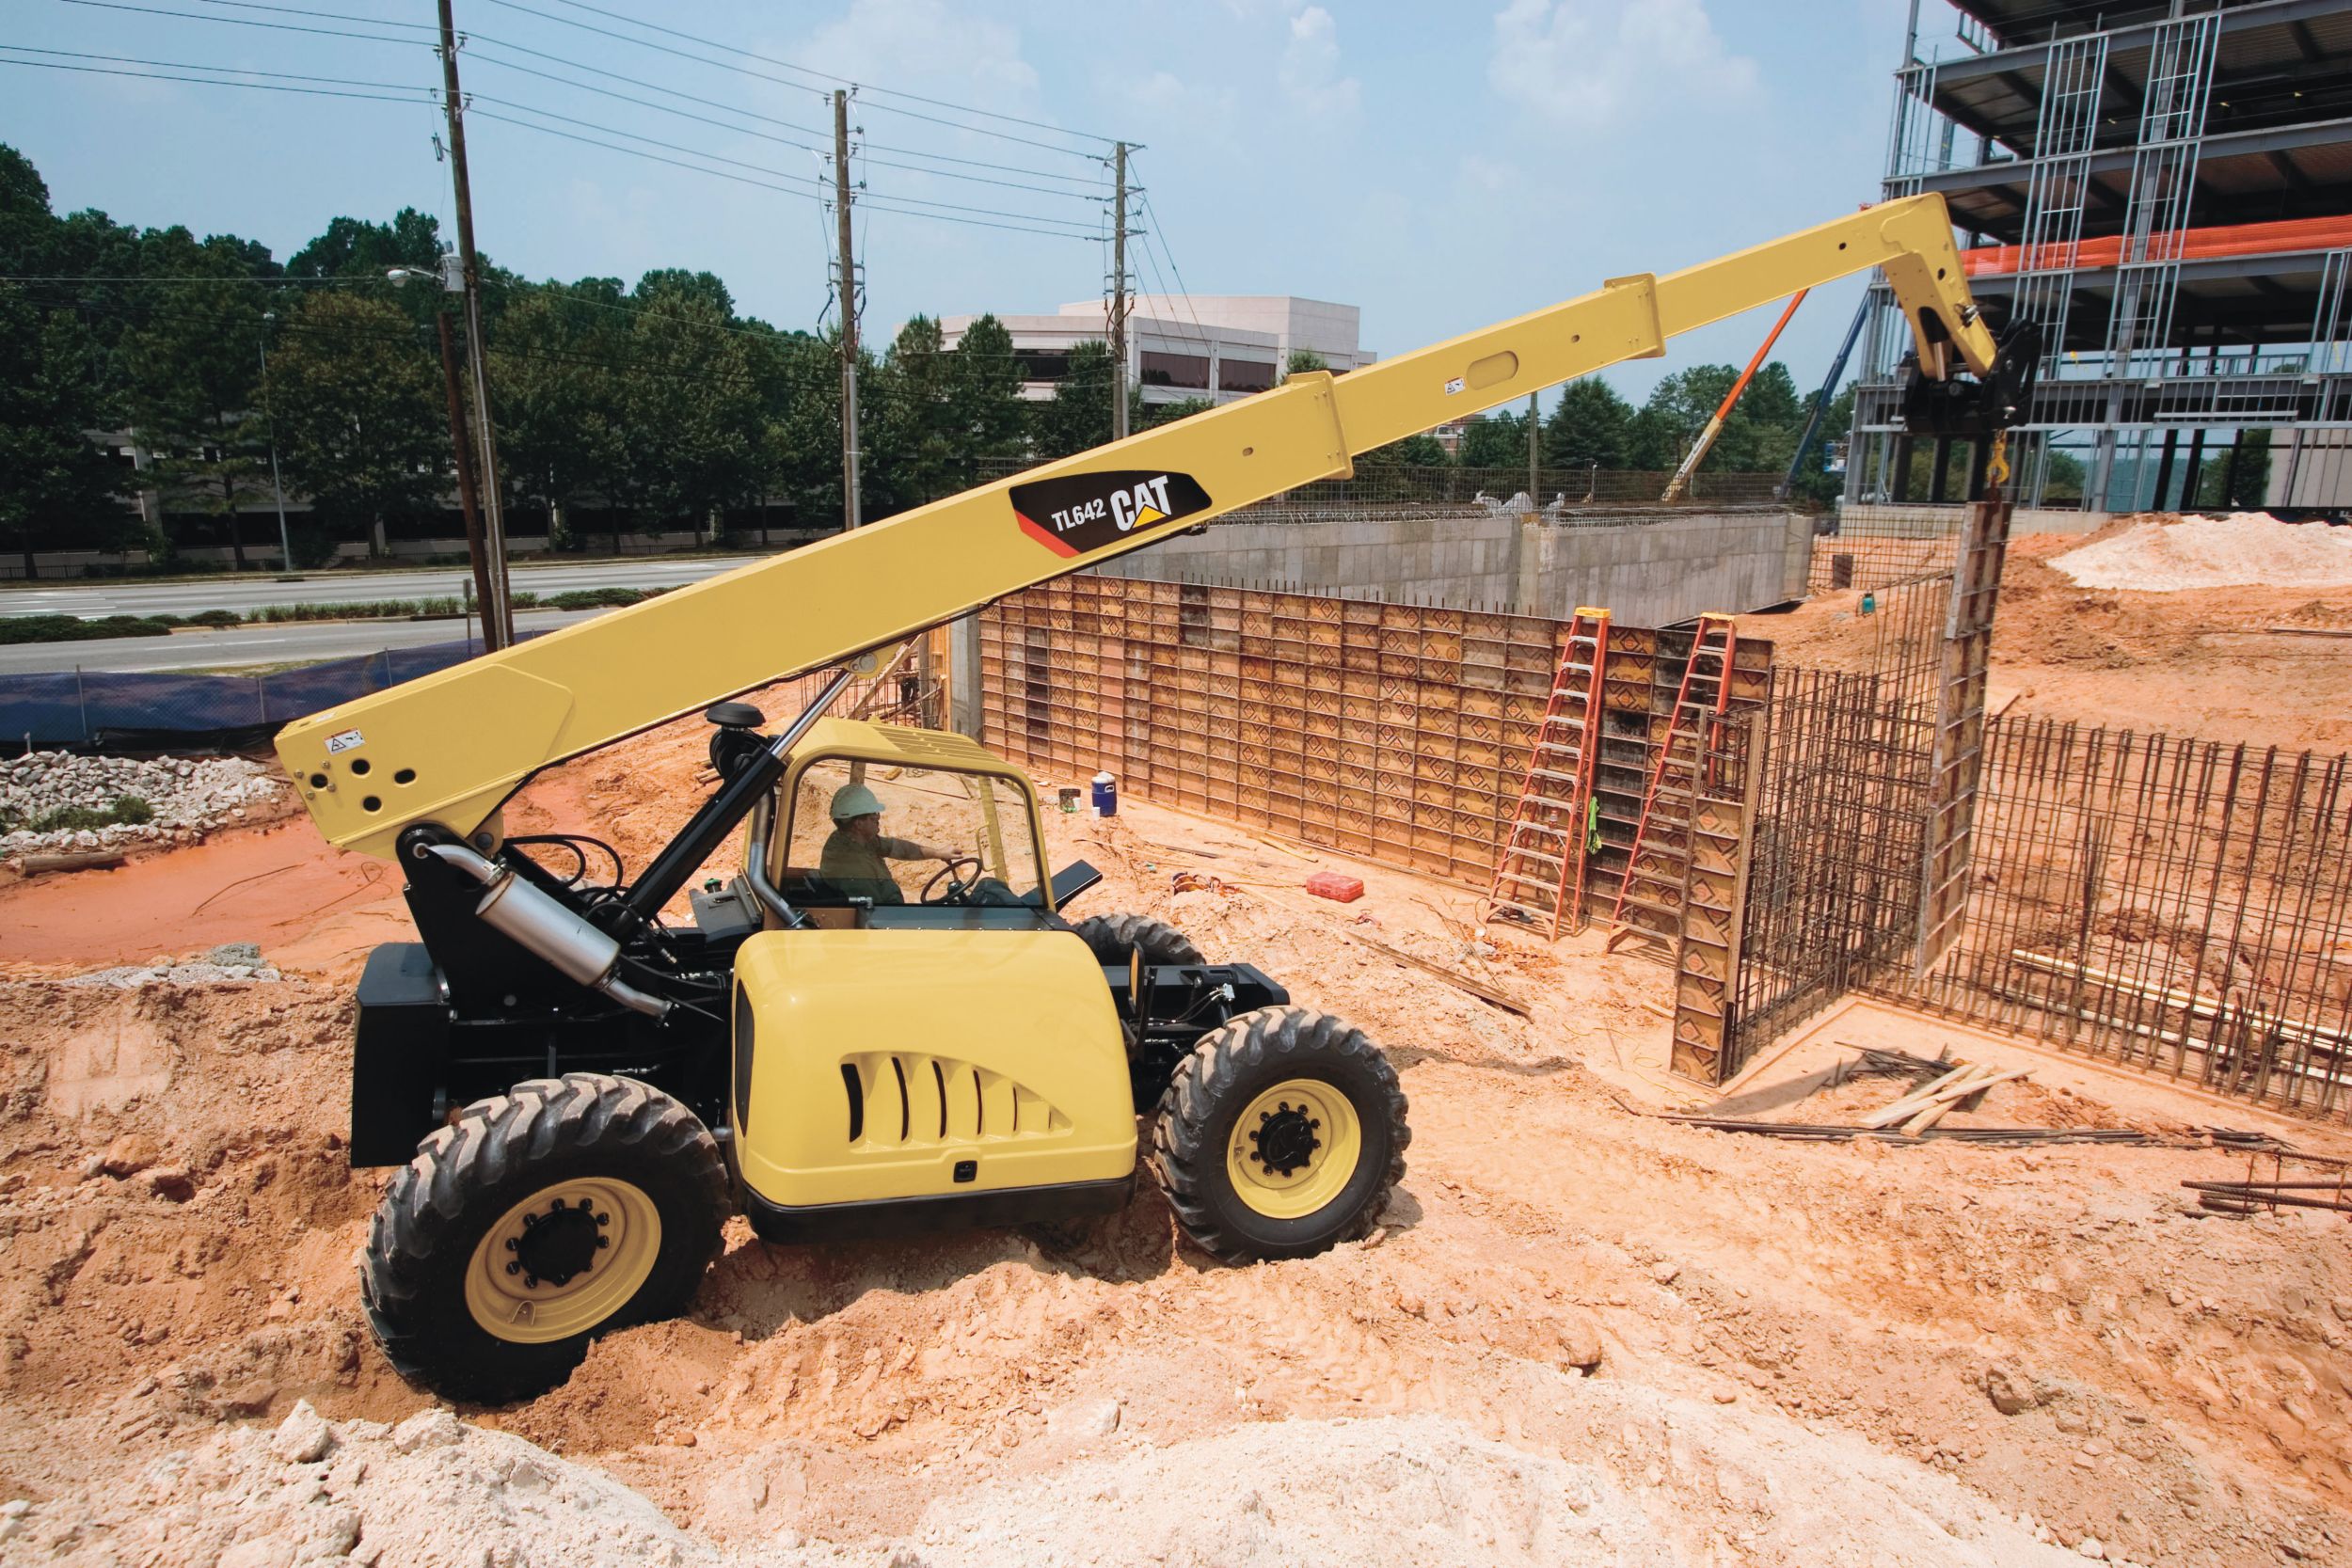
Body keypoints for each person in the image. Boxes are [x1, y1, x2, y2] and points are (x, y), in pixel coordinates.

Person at [818, 784, 955, 904]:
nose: (878, 820)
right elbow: (875, 911)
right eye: (873, 817)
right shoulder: (853, 866)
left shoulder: (857, 840)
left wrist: (938, 853)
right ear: (858, 824)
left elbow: (898, 848)